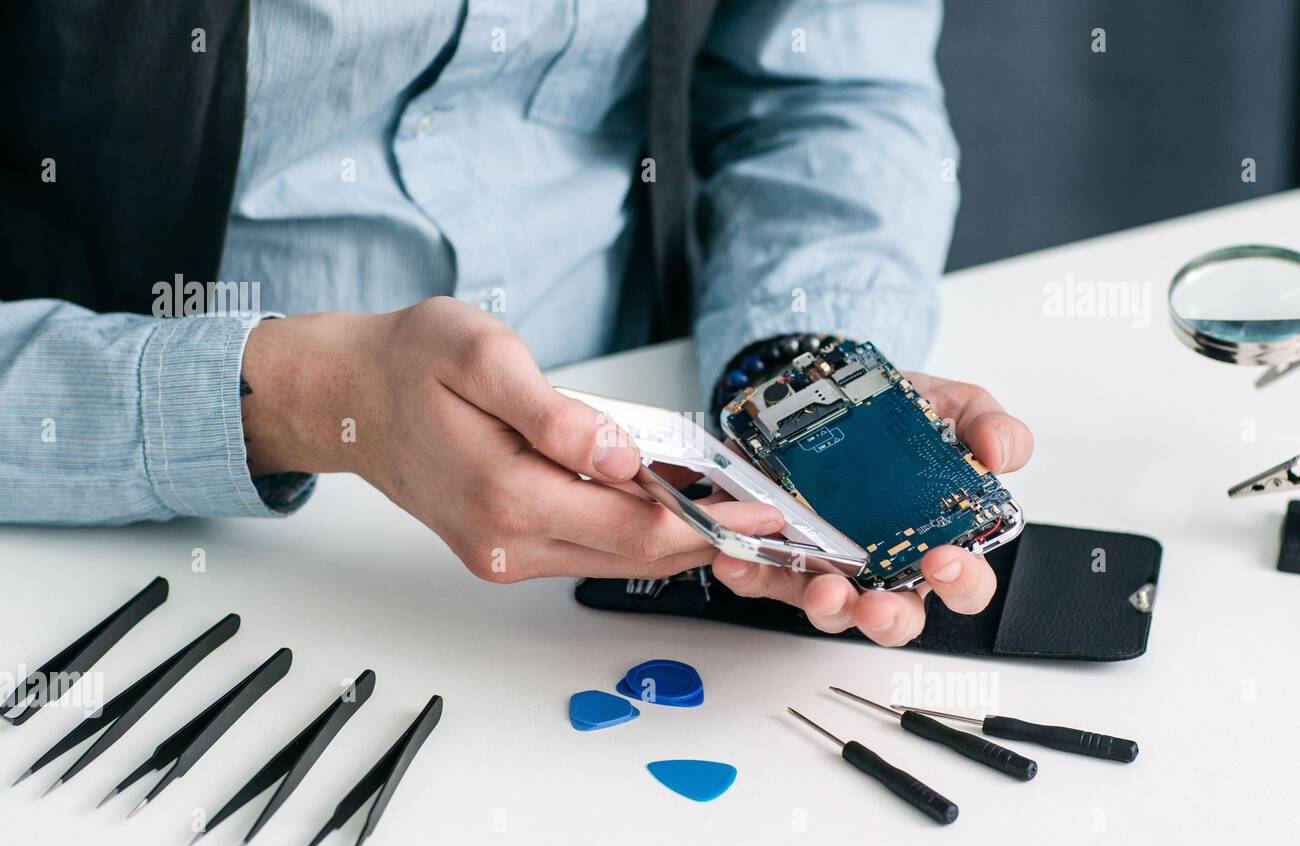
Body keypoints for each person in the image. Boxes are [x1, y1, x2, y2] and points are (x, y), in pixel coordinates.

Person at [0, 0, 1031, 646]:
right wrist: (312, 401)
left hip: (638, 489)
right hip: (118, 542)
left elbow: (826, 89)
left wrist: (793, 365)